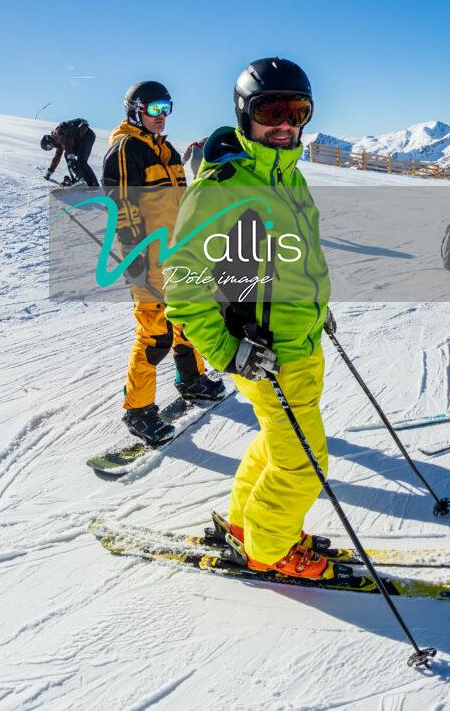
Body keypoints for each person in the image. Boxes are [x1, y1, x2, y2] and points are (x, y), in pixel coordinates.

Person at [164, 57, 334, 580]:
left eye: (296, 111)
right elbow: (183, 283)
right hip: (266, 353)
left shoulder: (290, 178)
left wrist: (318, 310)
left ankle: (245, 525)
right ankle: (269, 547)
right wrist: (227, 351)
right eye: (271, 110)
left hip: (300, 343)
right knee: (304, 462)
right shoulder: (224, 186)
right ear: (246, 114)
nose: (285, 124)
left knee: (276, 442)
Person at [102, 81, 221, 445]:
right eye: (154, 109)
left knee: (187, 318)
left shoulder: (166, 150)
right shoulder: (126, 149)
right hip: (147, 259)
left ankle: (192, 378)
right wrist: (133, 257)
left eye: (166, 108)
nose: (162, 115)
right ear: (135, 110)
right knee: (155, 336)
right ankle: (138, 412)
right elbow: (121, 207)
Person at [41, 117, 99, 187]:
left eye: (48, 147)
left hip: (86, 135)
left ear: (48, 140)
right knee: (68, 156)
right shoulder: (57, 142)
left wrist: (71, 158)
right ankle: (79, 175)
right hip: (78, 141)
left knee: (81, 161)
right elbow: (57, 158)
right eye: (49, 149)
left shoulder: (58, 133)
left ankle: (94, 185)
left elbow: (67, 144)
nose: (51, 148)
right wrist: (49, 172)